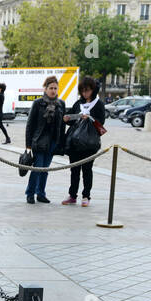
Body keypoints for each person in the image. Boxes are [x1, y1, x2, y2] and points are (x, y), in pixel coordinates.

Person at [62, 76, 106, 206]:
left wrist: (91, 118)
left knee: (87, 170)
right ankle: (72, 195)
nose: (85, 93)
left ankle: (86, 196)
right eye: (82, 91)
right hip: (75, 143)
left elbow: (101, 123)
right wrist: (67, 118)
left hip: (89, 143)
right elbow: (71, 119)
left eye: (87, 90)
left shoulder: (98, 104)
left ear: (93, 90)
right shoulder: (78, 104)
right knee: (74, 170)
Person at [23, 75, 65, 204]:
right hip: (39, 141)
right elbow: (30, 125)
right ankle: (30, 193)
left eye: (55, 88)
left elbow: (62, 125)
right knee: (38, 168)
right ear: (45, 89)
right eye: (51, 88)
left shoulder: (60, 104)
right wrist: (28, 145)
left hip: (53, 141)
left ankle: (41, 193)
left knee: (45, 169)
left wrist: (61, 143)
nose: (53, 90)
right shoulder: (38, 103)